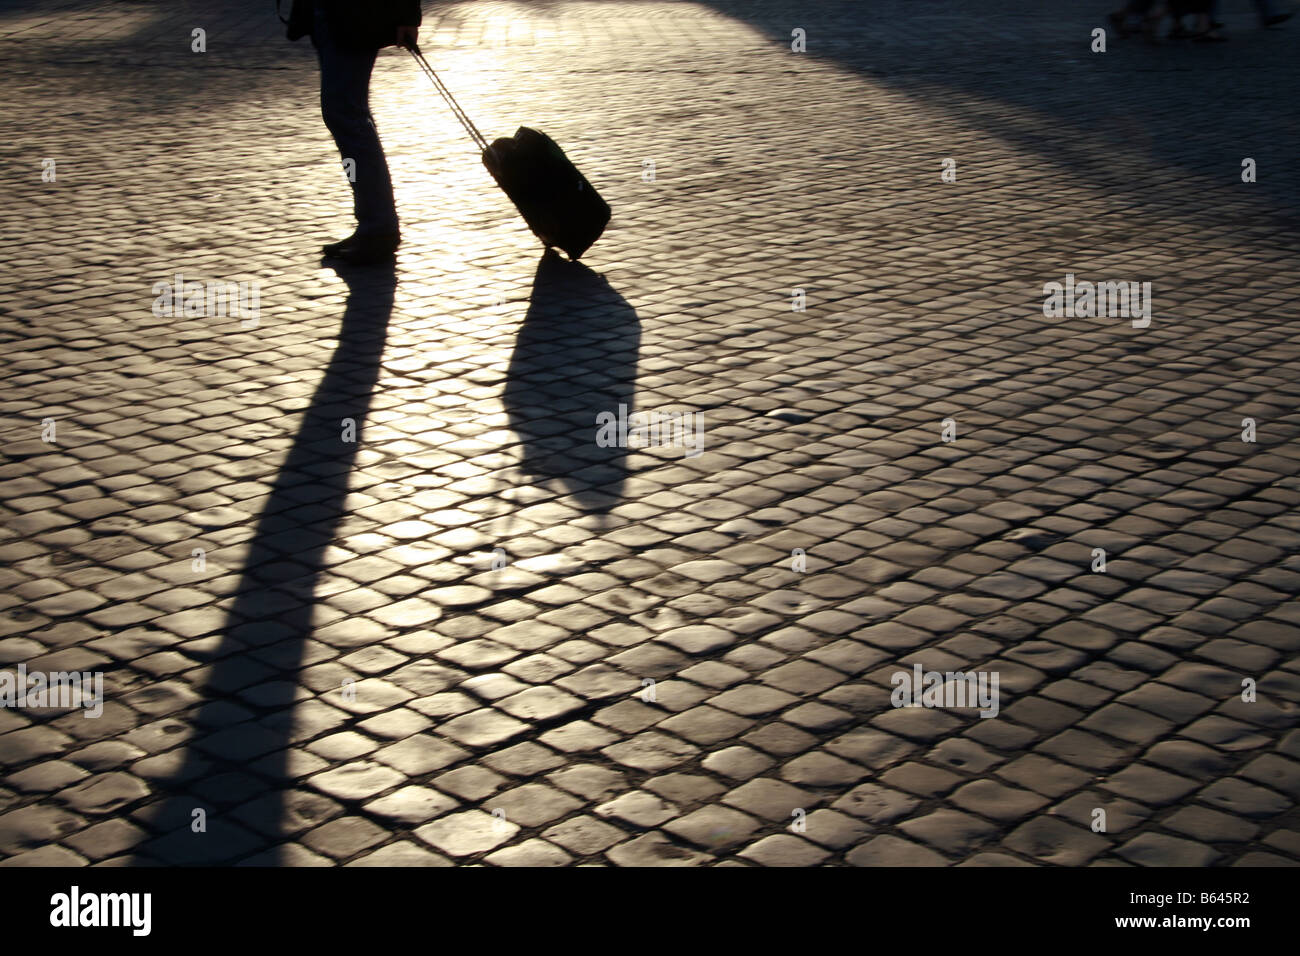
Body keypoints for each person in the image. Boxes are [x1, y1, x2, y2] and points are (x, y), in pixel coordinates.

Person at [284, 1, 422, 264]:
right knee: (346, 115)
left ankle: (378, 226)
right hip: (328, 14)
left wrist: (407, 16)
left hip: (354, 15)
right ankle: (373, 223)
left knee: (347, 116)